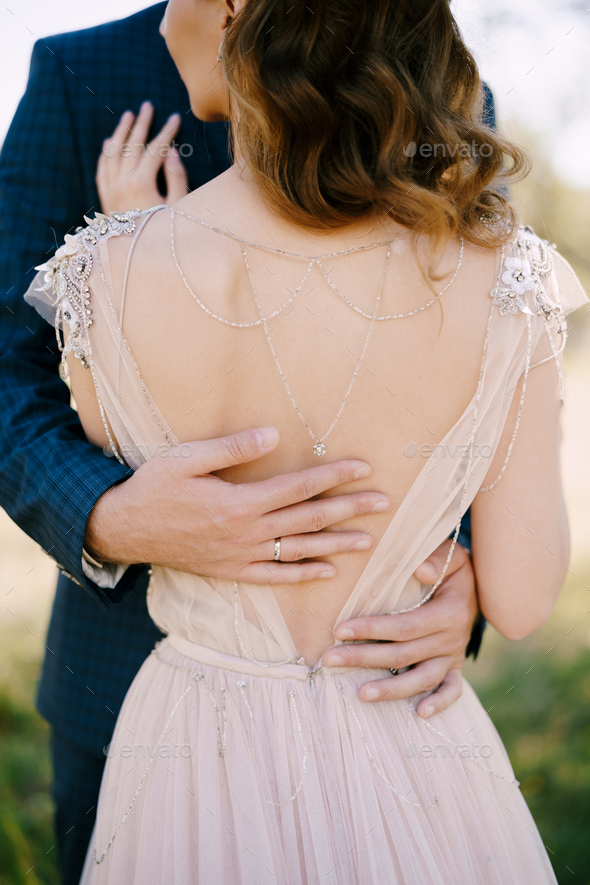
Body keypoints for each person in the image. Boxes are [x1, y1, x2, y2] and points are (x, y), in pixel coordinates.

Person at [23, 0, 587, 881]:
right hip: (401, 731)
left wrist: (128, 237)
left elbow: (119, 434)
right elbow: (524, 595)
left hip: (188, 733)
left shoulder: (104, 272)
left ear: (235, 15)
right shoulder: (509, 275)